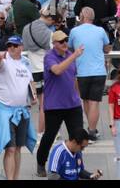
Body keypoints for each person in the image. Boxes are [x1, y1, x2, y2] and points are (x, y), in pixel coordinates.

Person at [36, 29, 85, 177]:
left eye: (66, 41)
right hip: (55, 105)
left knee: (78, 137)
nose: (65, 44)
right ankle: (41, 163)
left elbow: (73, 77)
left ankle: (79, 166)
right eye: (61, 41)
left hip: (73, 104)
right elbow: (57, 70)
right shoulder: (49, 57)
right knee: (49, 136)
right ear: (54, 44)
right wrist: (74, 55)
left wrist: (78, 96)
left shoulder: (70, 55)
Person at [0, 35, 38, 181]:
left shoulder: (25, 62)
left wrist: (34, 95)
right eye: (9, 46)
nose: (12, 48)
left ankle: (15, 177)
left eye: (15, 45)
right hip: (6, 111)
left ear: (21, 47)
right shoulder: (5, 62)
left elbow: (30, 82)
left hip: (23, 110)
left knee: (18, 147)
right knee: (10, 148)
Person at [67, 6, 110, 137]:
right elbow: (107, 47)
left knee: (85, 100)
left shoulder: (74, 31)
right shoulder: (101, 30)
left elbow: (69, 47)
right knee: (94, 102)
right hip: (99, 71)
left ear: (82, 16)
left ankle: (91, 129)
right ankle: (92, 130)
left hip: (82, 71)